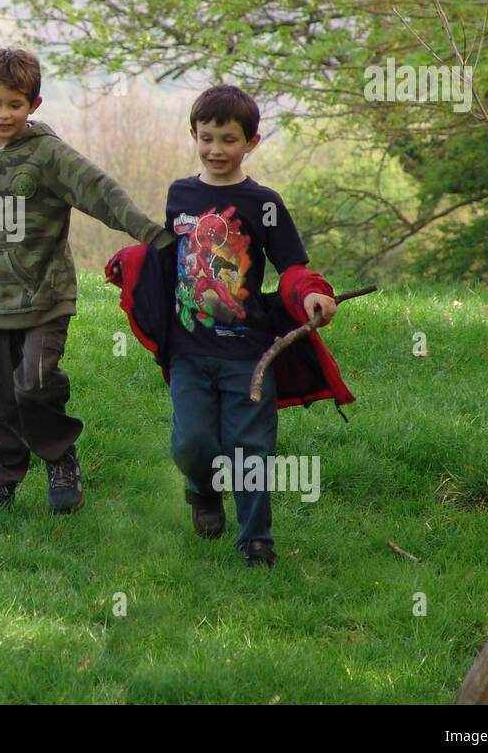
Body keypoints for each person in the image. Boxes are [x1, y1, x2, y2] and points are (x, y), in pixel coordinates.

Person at [0, 48, 174, 513]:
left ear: (34, 105)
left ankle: (59, 454)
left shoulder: (49, 155)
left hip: (46, 295)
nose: (4, 114)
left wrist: (151, 233)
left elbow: (100, 192)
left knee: (36, 381)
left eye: (15, 104)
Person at [105, 85, 351, 567]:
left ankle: (256, 539)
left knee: (251, 448)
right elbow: (170, 256)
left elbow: (293, 268)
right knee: (191, 442)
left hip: (248, 354)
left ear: (252, 142)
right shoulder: (181, 194)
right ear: (193, 135)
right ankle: (202, 489)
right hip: (188, 350)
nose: (216, 150)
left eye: (229, 140)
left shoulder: (265, 203)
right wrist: (132, 265)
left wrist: (314, 293)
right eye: (207, 138)